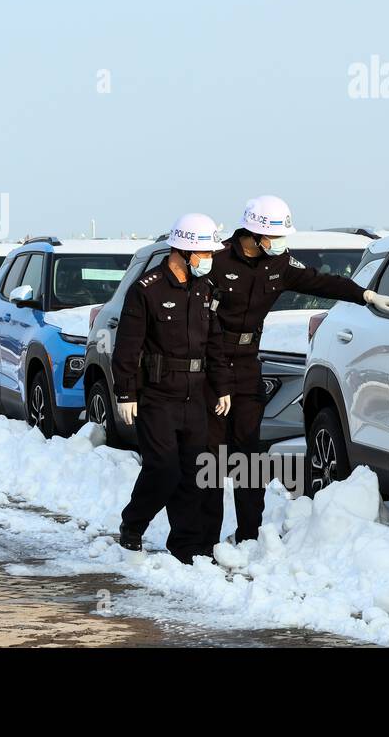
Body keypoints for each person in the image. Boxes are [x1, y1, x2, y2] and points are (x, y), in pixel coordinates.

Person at [201, 195, 389, 548]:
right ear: (256, 233)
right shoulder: (216, 261)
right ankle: (203, 538)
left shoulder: (277, 264)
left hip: (248, 364)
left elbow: (320, 282)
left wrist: (367, 295)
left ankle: (249, 536)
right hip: (211, 365)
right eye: (276, 236)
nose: (281, 244)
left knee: (248, 454)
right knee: (212, 456)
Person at [111, 213, 232, 563]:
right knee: (163, 469)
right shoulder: (147, 289)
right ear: (185, 251)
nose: (209, 259)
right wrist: (125, 392)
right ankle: (133, 525)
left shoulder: (205, 290)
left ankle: (184, 545)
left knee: (193, 473)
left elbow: (215, 344)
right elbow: (127, 347)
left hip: (195, 396)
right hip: (158, 397)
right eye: (205, 253)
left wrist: (221, 387)